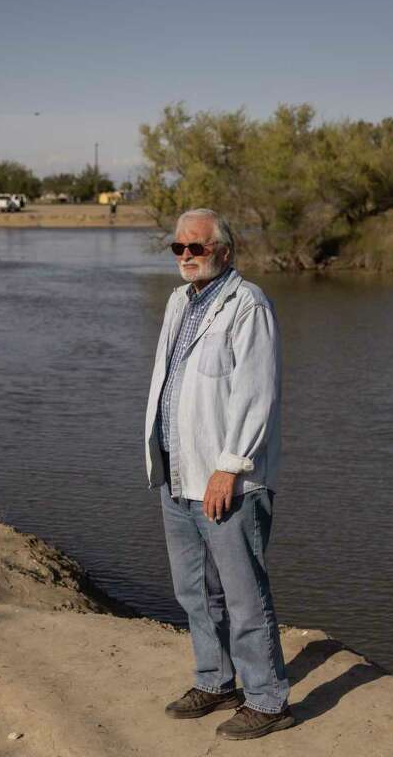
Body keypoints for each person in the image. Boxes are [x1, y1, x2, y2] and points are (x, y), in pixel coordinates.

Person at [143, 208, 293, 740]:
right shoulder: (179, 301)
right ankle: (215, 681)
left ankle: (268, 700)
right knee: (194, 591)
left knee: (243, 593)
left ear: (224, 252)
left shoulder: (248, 305)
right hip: (177, 472)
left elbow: (257, 394)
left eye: (197, 247)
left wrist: (228, 469)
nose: (186, 256)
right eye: (178, 248)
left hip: (227, 479)